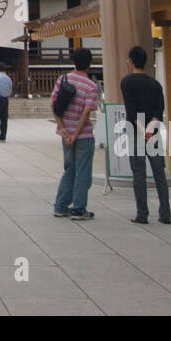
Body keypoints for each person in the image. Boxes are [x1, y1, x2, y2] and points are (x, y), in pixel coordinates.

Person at [121, 46, 171, 225]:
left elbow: (131, 111)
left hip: (136, 131)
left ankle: (142, 213)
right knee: (159, 172)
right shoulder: (155, 84)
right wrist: (150, 128)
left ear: (131, 62)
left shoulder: (127, 82)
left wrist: (142, 130)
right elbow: (159, 109)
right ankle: (165, 212)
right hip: (154, 130)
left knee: (139, 173)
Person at [52, 47, 101, 220]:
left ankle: (60, 206)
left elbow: (54, 104)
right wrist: (76, 133)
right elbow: (87, 112)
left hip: (66, 133)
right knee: (83, 171)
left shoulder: (63, 79)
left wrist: (64, 129)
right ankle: (79, 208)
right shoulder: (91, 85)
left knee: (69, 169)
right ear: (90, 63)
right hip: (83, 135)